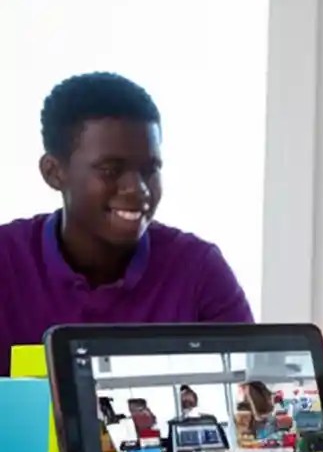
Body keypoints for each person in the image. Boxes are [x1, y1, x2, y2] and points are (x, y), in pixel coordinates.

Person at [0, 72, 254, 376]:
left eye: (150, 169)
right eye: (110, 170)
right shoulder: (7, 260)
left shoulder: (199, 271)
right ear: (54, 172)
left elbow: (246, 392)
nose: (137, 189)